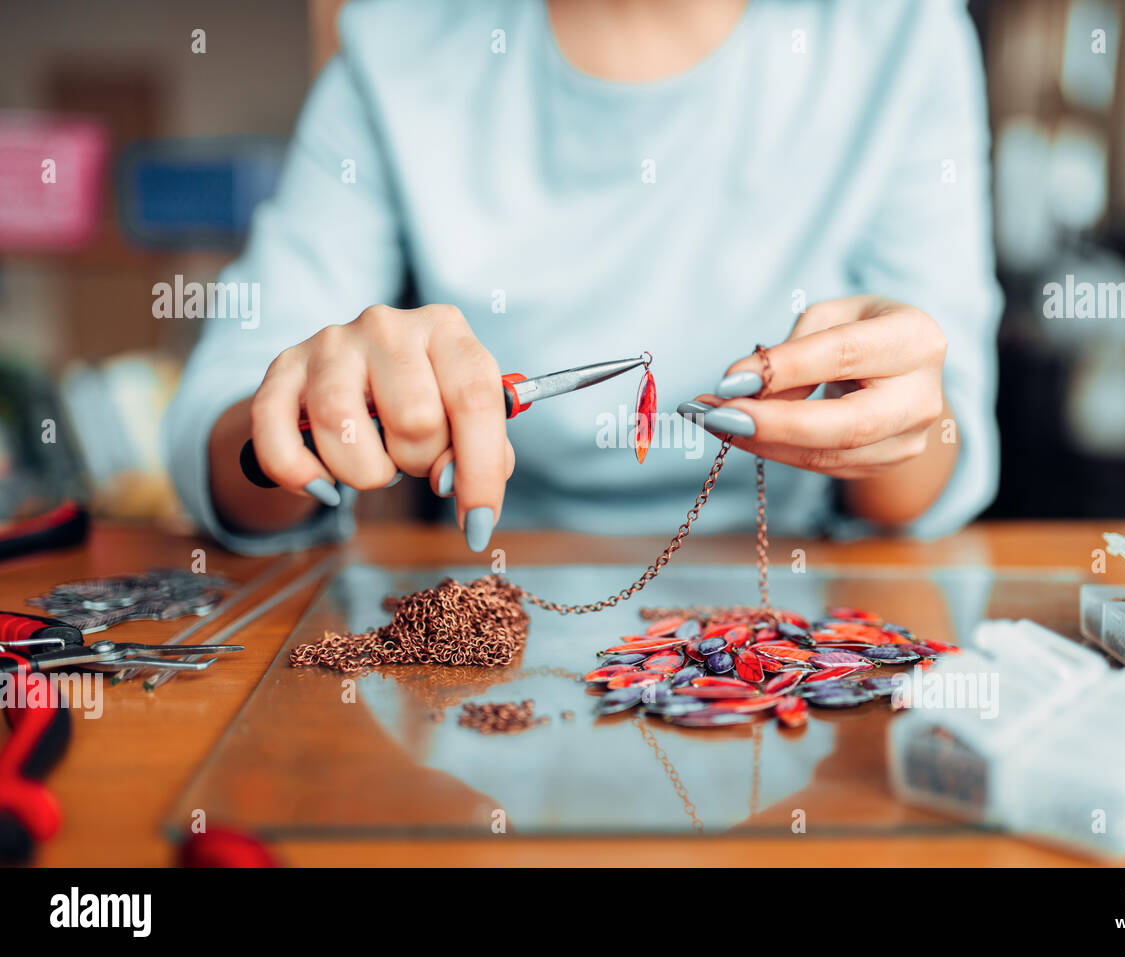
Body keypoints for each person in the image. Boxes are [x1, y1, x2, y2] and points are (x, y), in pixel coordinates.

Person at [165, 0, 1002, 556]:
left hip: (806, 593)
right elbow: (222, 448)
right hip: (502, 596)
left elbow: (943, 453)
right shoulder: (400, 43)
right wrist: (301, 415)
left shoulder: (901, 33)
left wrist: (895, 416)